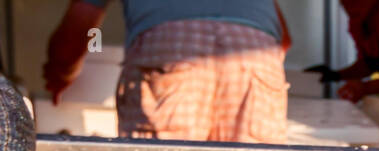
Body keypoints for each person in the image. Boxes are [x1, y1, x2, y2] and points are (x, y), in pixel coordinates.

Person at [43, 1, 290, 143]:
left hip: (173, 50)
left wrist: (60, 75)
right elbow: (284, 40)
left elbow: (78, 31)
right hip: (256, 53)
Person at [305, 0, 379, 103]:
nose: (348, 6)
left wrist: (366, 88)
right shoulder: (358, 22)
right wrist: (335, 75)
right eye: (343, 1)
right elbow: (369, 64)